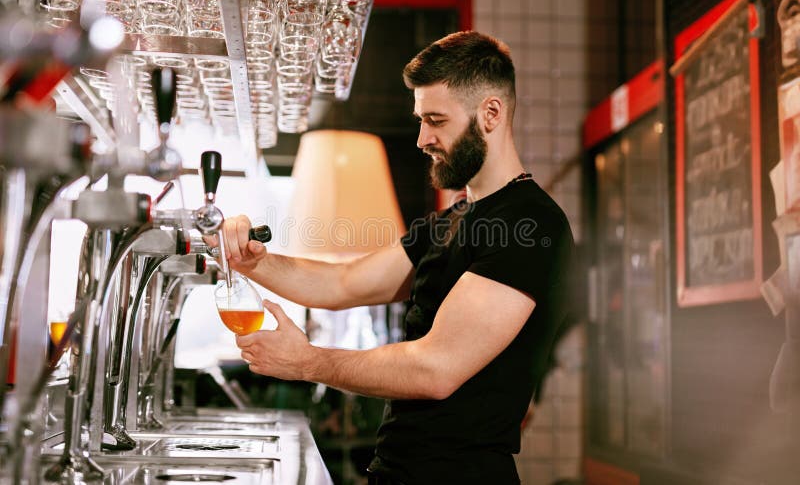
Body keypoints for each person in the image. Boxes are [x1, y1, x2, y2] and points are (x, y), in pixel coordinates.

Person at [208, 31, 575, 484]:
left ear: (491, 114)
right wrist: (246, 258)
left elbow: (435, 369)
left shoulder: (529, 223)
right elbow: (340, 283)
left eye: (436, 120)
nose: (422, 138)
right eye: (421, 119)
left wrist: (308, 362)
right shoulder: (450, 221)